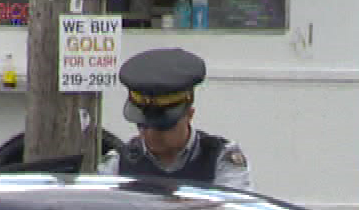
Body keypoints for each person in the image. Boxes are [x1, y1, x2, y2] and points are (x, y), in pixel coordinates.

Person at [98, 47, 252, 189]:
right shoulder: (118, 164)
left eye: (162, 126)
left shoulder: (220, 158)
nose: (150, 134)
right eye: (142, 125)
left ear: (189, 115)